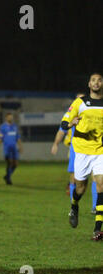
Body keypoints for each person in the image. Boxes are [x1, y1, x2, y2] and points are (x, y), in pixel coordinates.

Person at [61, 72, 103, 241]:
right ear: (89, 84)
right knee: (80, 188)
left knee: (101, 185)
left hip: (100, 151)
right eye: (93, 80)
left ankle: (97, 229)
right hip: (82, 152)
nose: (96, 82)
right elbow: (64, 123)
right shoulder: (80, 102)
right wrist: (71, 123)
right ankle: (74, 205)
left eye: (100, 80)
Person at [51, 93, 98, 213]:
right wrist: (56, 143)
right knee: (74, 180)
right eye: (78, 98)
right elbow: (62, 130)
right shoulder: (71, 115)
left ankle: (95, 207)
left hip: (94, 149)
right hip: (76, 151)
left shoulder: (91, 112)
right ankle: (73, 206)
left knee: (96, 178)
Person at [0, 113, 22, 185]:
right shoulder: (3, 127)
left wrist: (20, 146)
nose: (10, 118)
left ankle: (7, 176)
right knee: (9, 163)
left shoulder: (15, 127)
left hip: (14, 148)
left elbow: (18, 138)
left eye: (11, 117)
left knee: (15, 164)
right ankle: (8, 179)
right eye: (9, 117)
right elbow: (0, 138)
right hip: (7, 148)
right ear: (6, 118)